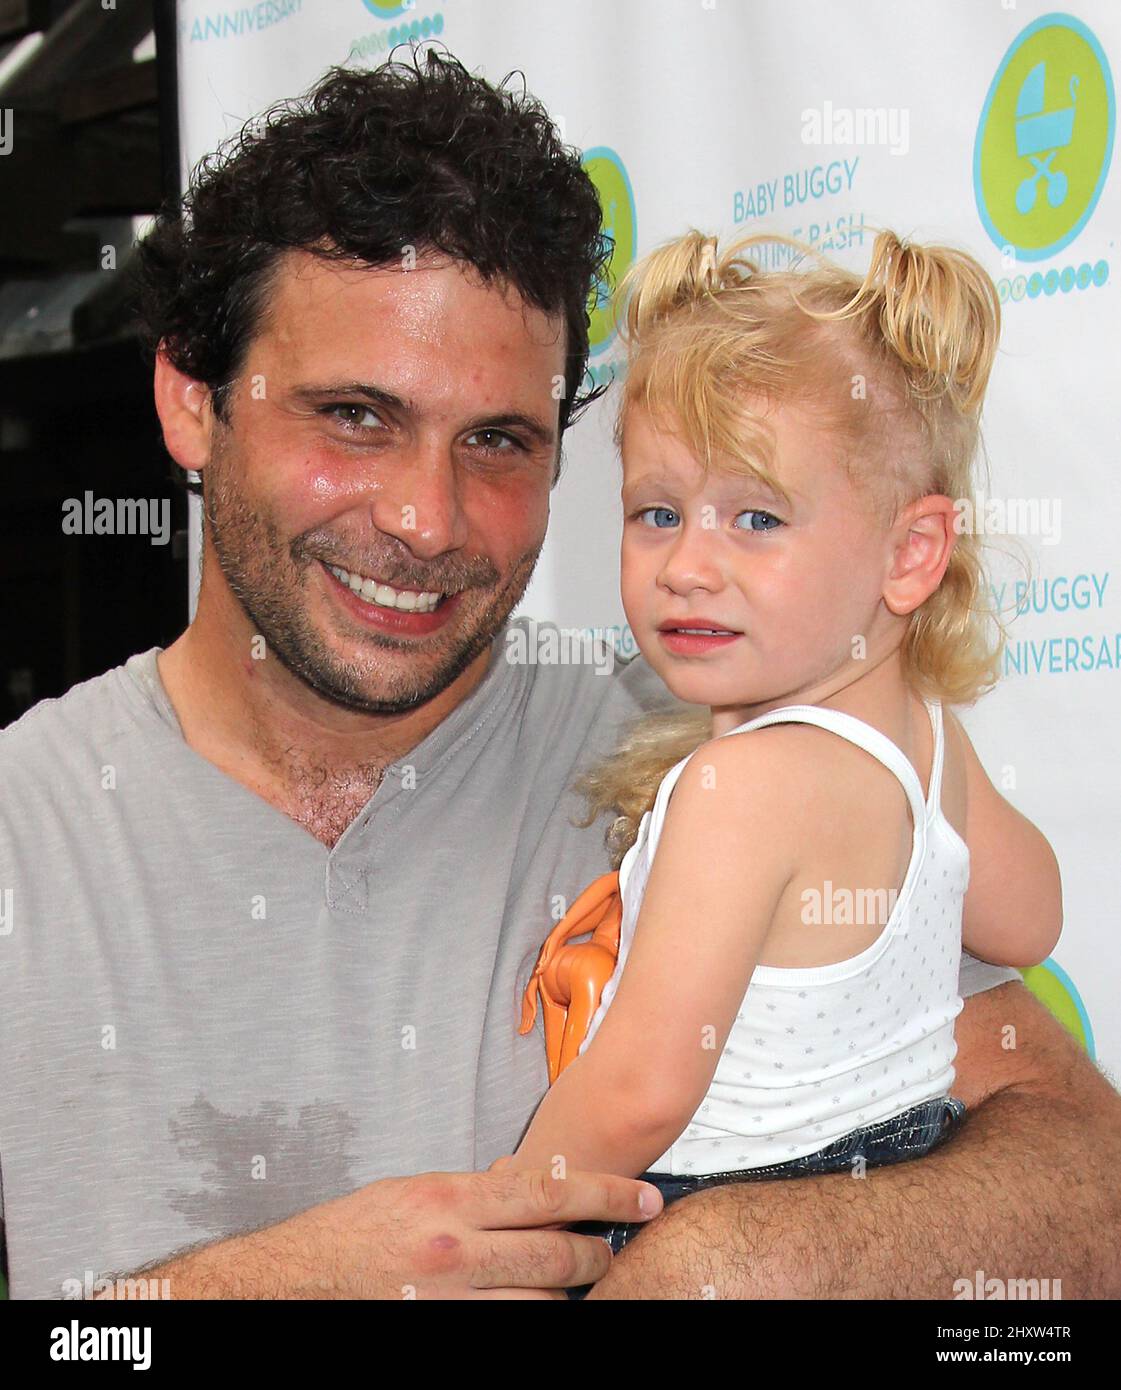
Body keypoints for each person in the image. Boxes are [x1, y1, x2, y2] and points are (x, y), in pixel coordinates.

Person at [0, 50, 1117, 1301]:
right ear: (191, 401)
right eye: (354, 416)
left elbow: (1082, 1178)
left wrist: (729, 1259)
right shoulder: (24, 833)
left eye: (495, 441)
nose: (425, 518)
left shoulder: (709, 736)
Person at [508, 229, 1062, 1277]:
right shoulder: (931, 749)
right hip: (898, 1196)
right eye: (655, 512)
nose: (685, 565)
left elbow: (638, 1088)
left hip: (716, 1220)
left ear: (909, 556)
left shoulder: (734, 789)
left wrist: (506, 1212)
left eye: (754, 518)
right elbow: (1026, 918)